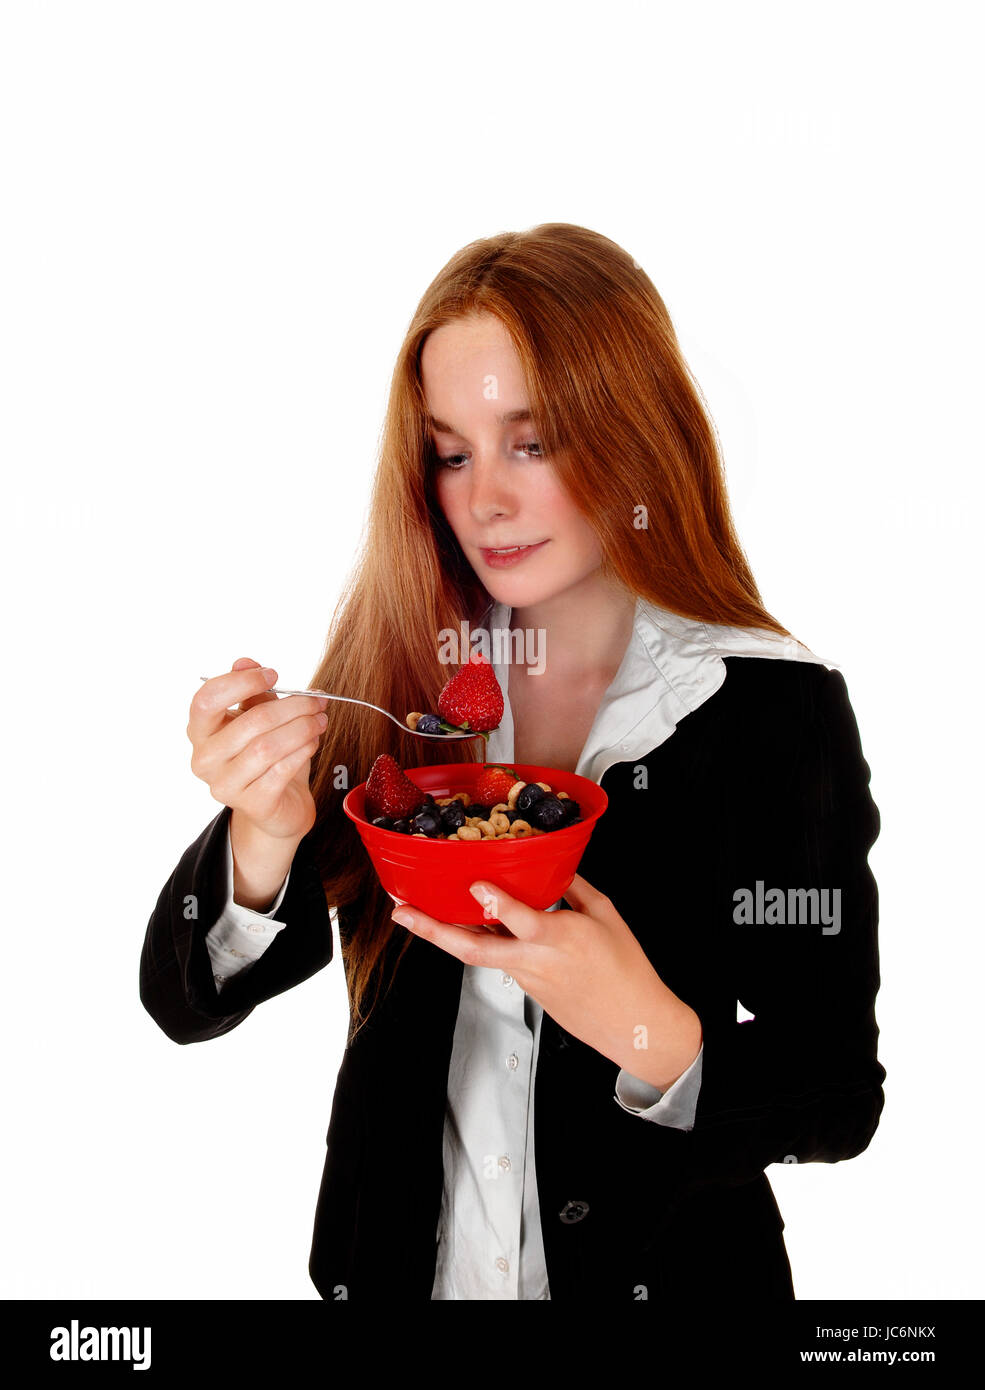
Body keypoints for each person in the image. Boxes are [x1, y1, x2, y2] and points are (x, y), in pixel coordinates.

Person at [140, 222, 885, 1302]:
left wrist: (645, 1025)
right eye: (451, 450)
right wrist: (261, 837)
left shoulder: (768, 706)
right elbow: (187, 998)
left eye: (529, 442)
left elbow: (835, 1094)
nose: (482, 498)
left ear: (630, 431)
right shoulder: (398, 675)